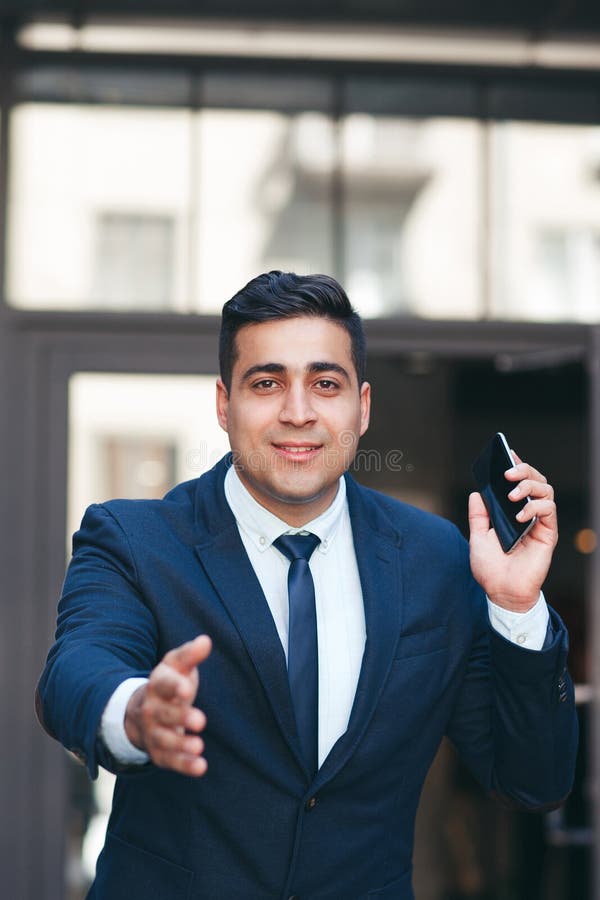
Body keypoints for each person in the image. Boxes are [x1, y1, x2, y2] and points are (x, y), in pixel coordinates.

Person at [37, 271, 578, 900]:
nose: (298, 412)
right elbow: (76, 668)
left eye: (325, 384)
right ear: (224, 404)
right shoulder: (134, 540)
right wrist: (134, 712)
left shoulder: (436, 557)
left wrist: (516, 608)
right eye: (267, 383)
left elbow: (531, 781)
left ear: (363, 407)